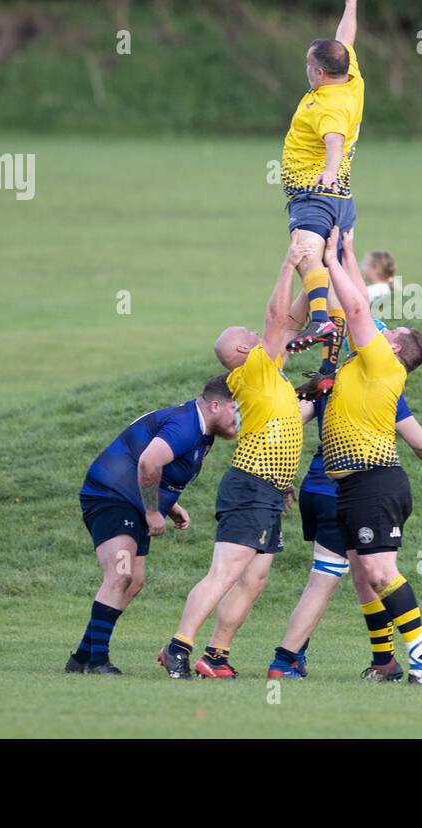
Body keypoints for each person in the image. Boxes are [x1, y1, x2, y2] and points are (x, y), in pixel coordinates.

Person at [158, 242, 311, 679]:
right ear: (245, 351)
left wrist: (315, 274)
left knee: (254, 578)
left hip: (268, 487)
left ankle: (216, 655)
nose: (260, 336)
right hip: (251, 484)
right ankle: (178, 646)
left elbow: (293, 318)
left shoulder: (269, 370)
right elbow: (278, 320)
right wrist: (287, 266)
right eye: (252, 336)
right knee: (226, 573)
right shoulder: (254, 369)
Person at [319, 225, 422, 683]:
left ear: (394, 347)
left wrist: (330, 260)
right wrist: (349, 250)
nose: (381, 327)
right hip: (353, 482)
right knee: (362, 573)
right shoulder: (369, 359)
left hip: (376, 478)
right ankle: (384, 660)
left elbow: (355, 307)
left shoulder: (383, 361)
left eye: (393, 329)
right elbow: (360, 307)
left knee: (378, 567)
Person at [264, 387, 422, 681]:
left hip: (316, 488)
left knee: (362, 577)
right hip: (350, 491)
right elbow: (419, 441)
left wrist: (281, 472)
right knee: (339, 579)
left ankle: (383, 661)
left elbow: (288, 422)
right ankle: (287, 658)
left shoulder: (330, 383)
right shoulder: (381, 386)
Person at [67, 375, 237, 674]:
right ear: (214, 406)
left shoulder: (199, 428)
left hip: (130, 500)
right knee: (120, 575)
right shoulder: (185, 425)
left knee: (133, 581)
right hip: (110, 496)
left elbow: (159, 468)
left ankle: (81, 656)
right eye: (237, 408)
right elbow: (149, 462)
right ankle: (97, 661)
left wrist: (169, 506)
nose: (240, 417)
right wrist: (152, 512)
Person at [281, 0, 366, 401]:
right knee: (330, 273)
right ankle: (329, 366)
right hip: (343, 200)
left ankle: (320, 320)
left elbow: (333, 139)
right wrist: (350, 5)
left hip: (316, 194)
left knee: (304, 255)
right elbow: (344, 40)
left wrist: (329, 170)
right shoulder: (351, 80)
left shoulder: (330, 105)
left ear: (317, 70)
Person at [362, 249, 396, 317]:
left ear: (375, 268)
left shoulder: (372, 291)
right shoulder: (387, 288)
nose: (363, 268)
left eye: (366, 264)